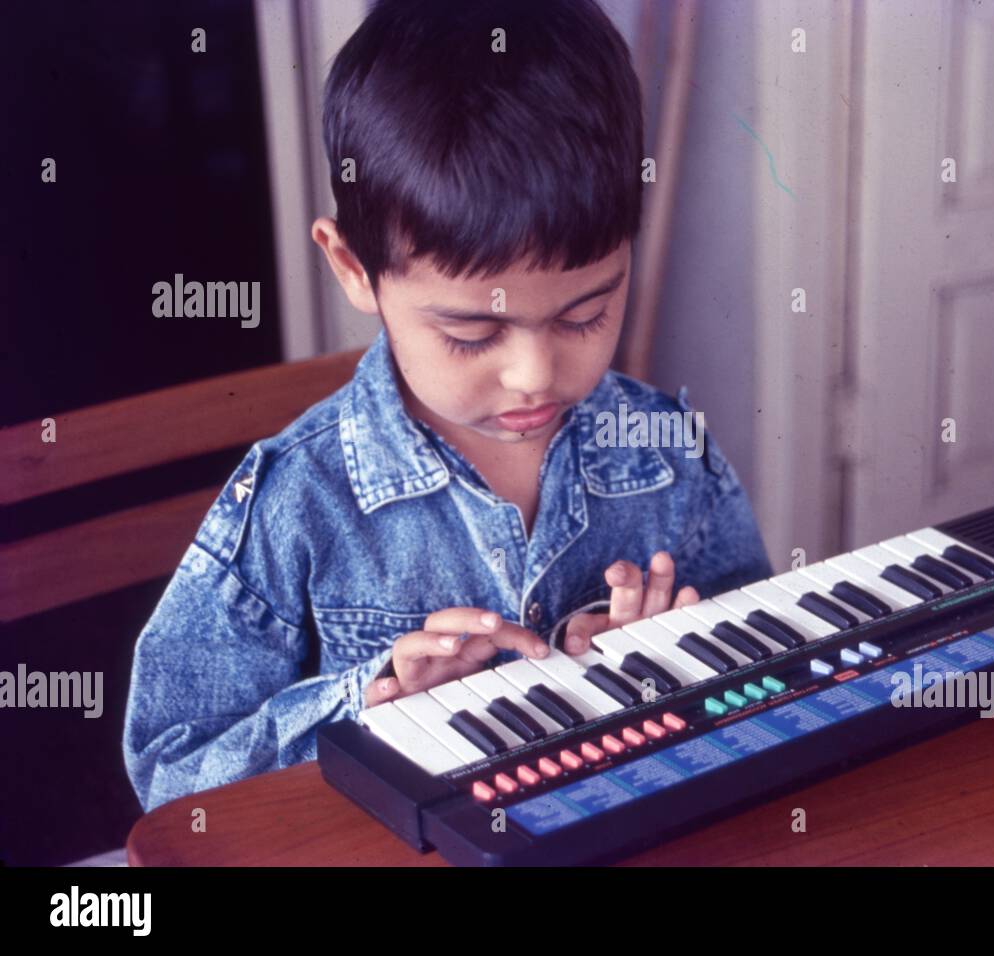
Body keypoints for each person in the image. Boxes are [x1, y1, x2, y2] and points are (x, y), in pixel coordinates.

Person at [123, 0, 772, 814]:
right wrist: (371, 701)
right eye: (472, 333)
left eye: (585, 314)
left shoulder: (669, 450)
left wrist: (669, 656)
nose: (534, 376)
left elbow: (766, 664)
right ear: (354, 267)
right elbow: (174, 777)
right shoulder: (296, 501)